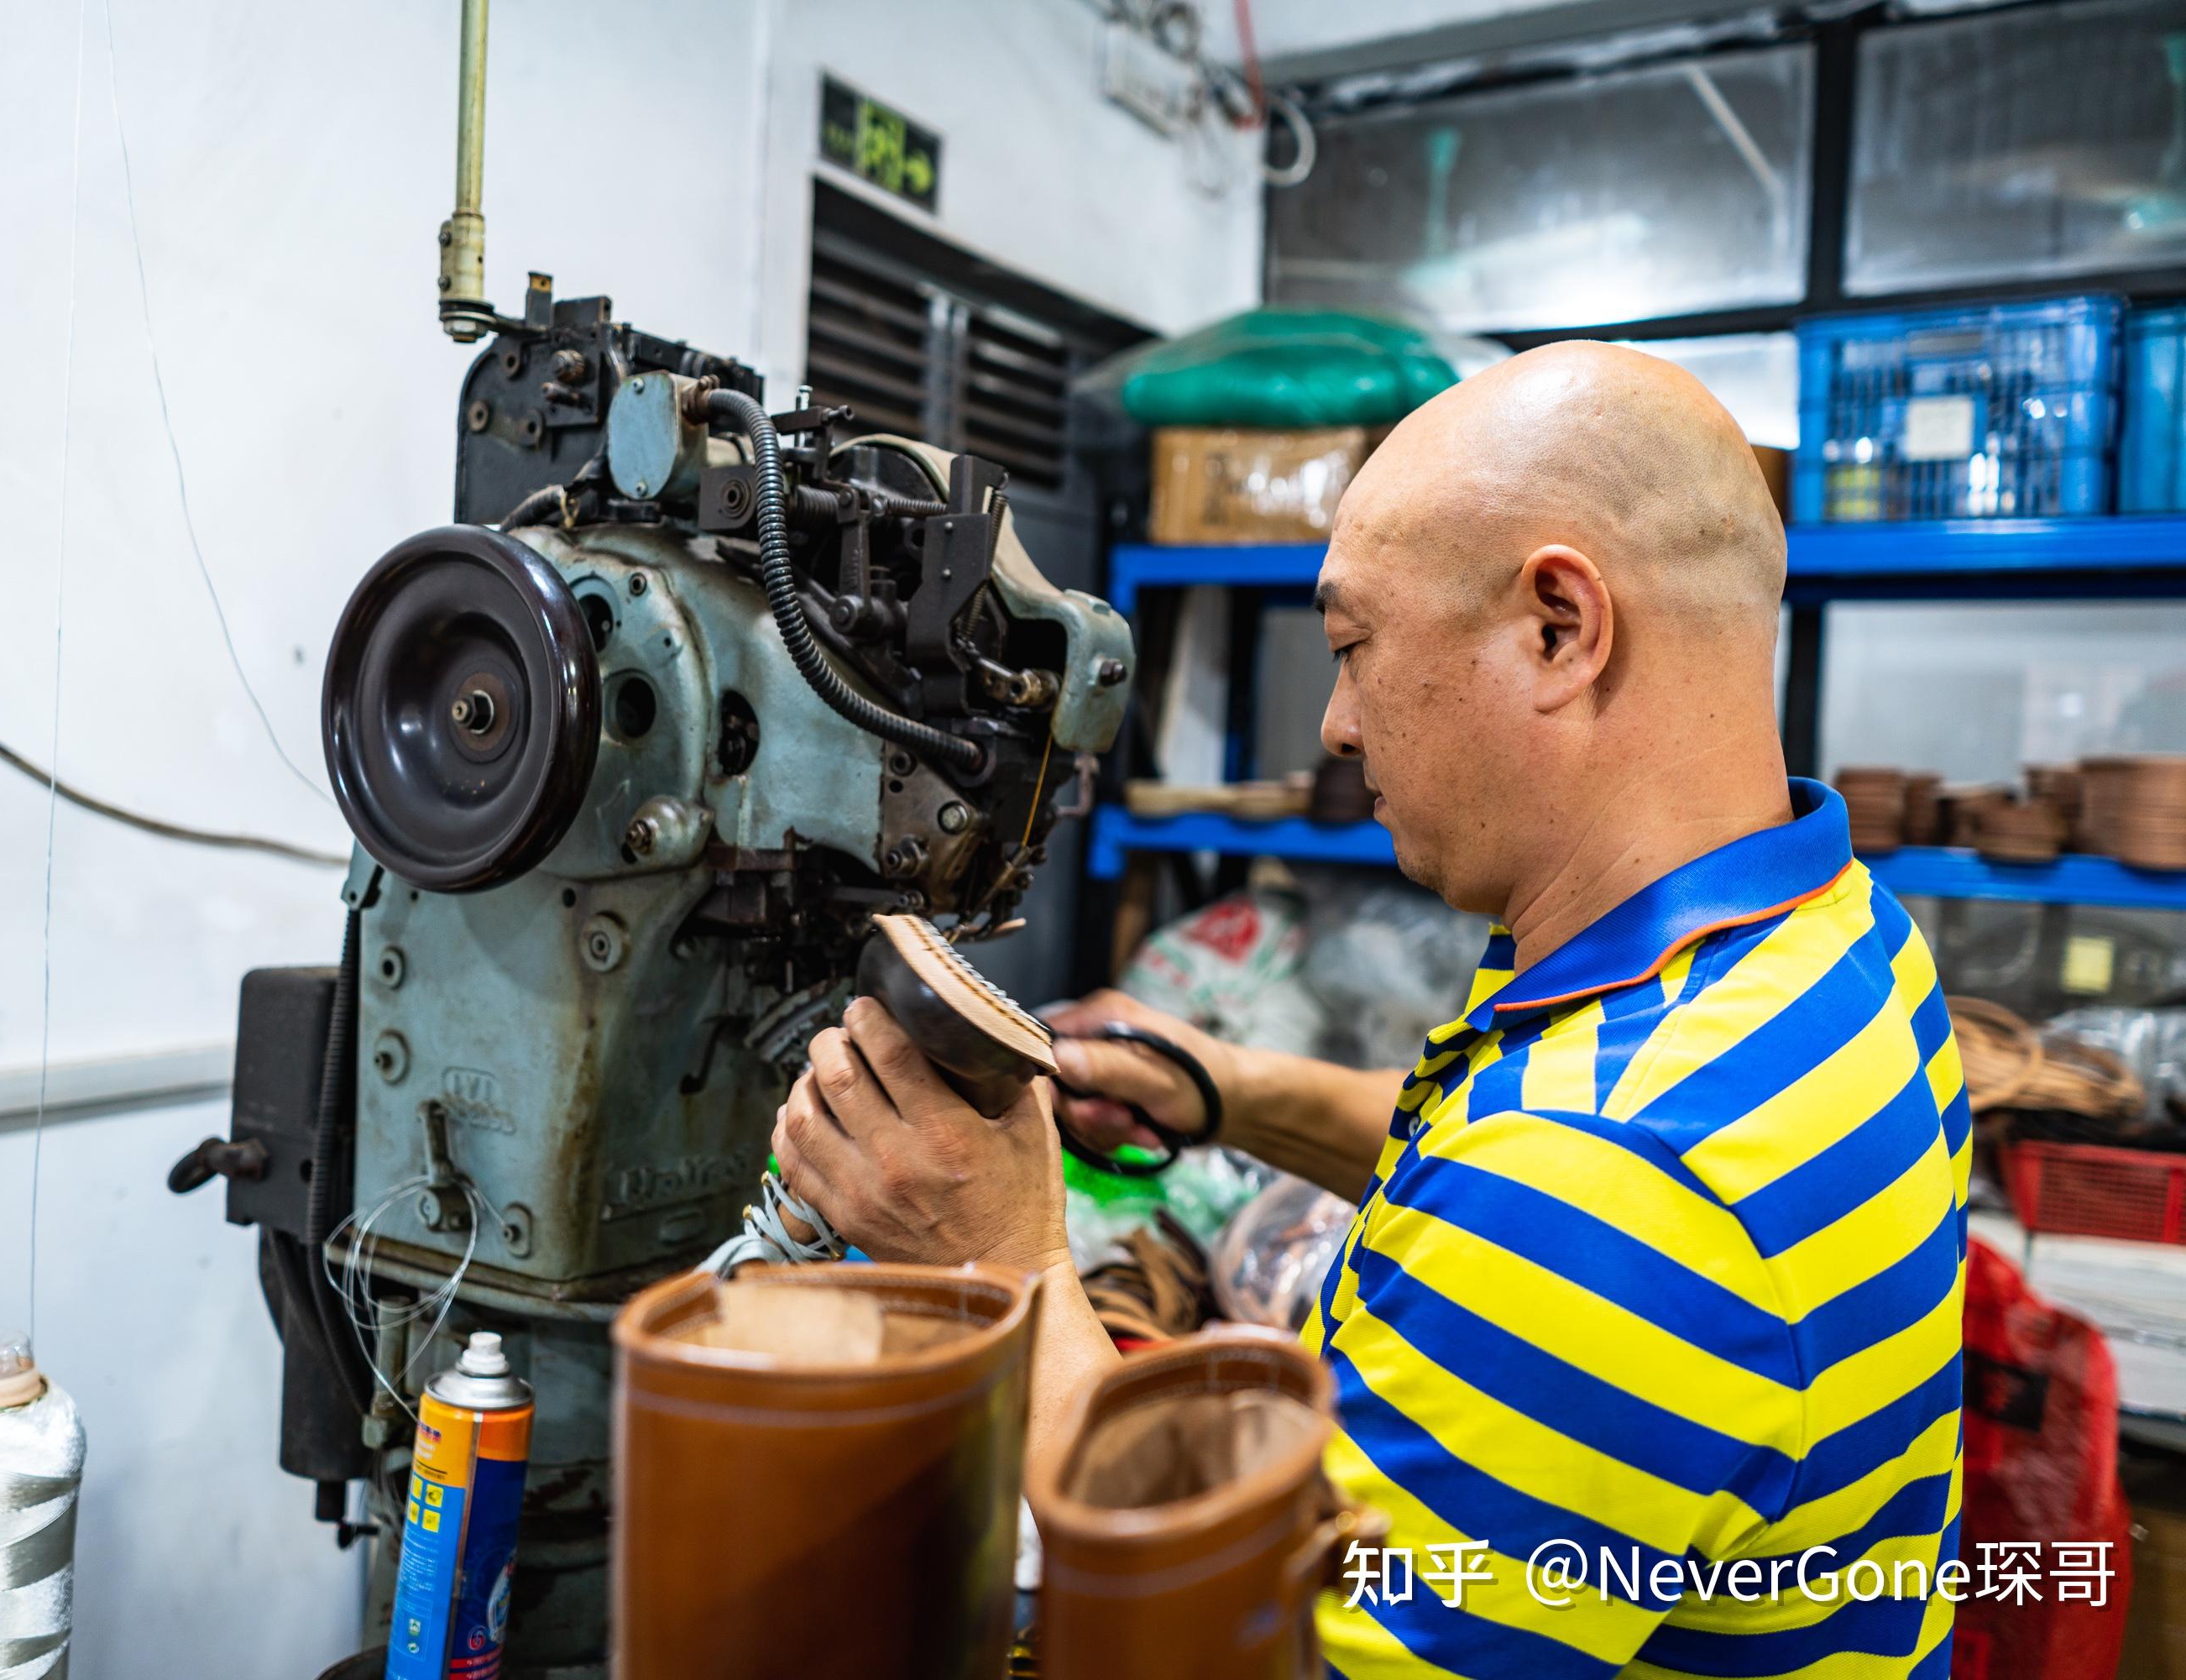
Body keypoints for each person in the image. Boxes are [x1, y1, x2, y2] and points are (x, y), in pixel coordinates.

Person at [775, 343, 1969, 1677]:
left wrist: (1000, 1263)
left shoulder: (1609, 1179)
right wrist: (1225, 1087)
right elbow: (1498, 1163)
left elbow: (1238, 1648)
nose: (1337, 723)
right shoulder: (1836, 944)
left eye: (1353, 645)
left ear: (1559, 628)